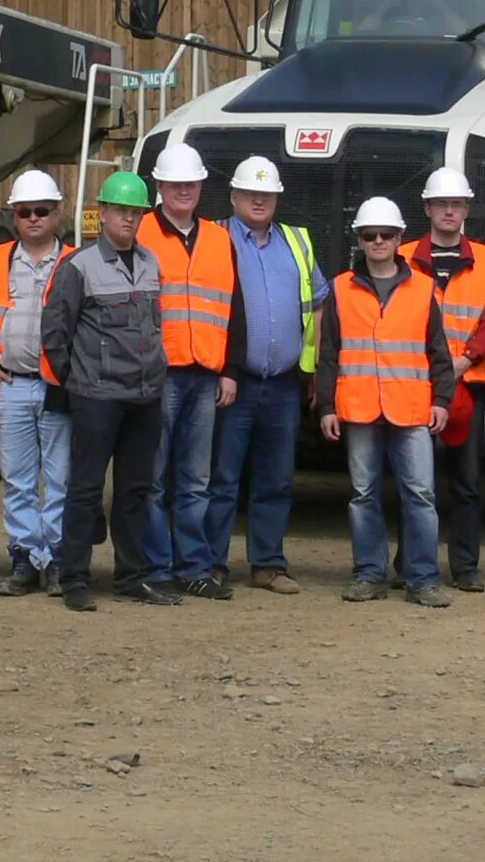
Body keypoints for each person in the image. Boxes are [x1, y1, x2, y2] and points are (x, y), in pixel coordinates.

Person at [314, 196, 457, 605]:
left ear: (399, 239)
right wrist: (326, 406)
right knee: (363, 495)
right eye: (369, 235)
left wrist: (442, 400)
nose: (378, 241)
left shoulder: (424, 287)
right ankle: (368, 574)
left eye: (386, 234)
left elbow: (438, 352)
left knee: (421, 496)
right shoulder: (340, 289)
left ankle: (423, 579)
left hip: (411, 409)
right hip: (358, 407)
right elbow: (329, 353)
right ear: (359, 239)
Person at [43, 169, 174, 609]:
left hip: (144, 397)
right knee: (84, 490)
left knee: (136, 490)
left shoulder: (152, 262)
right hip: (96, 397)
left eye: (135, 213)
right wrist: (78, 381)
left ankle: (131, 576)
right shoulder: (78, 267)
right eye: (121, 211)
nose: (129, 220)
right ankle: (74, 579)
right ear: (103, 213)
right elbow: (55, 333)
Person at [197, 155, 319, 597]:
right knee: (222, 477)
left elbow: (317, 304)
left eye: (267, 194)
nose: (260, 200)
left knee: (276, 478)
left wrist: (314, 370)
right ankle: (210, 563)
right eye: (251, 193)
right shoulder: (215, 238)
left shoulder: (297, 242)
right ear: (234, 197)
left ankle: (268, 563)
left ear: (277, 198)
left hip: (286, 382)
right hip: (235, 381)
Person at [0, 170, 74, 596]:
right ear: (14, 214)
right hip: (8, 387)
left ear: (56, 213)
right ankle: (26, 558)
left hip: (55, 387)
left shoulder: (74, 263)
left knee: (60, 479)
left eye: (41, 211)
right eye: (24, 211)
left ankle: (59, 559)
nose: (32, 218)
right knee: (18, 480)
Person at [135, 142, 236, 598]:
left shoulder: (219, 238)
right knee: (153, 480)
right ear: (159, 187)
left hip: (206, 372)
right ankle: (158, 567)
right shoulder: (140, 235)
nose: (183, 191)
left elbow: (238, 309)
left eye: (190, 184)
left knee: (196, 481)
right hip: (159, 374)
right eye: (175, 184)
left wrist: (230, 368)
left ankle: (195, 567)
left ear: (200, 188)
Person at [408, 166, 485, 592]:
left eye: (457, 204)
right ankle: (411, 561)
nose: (449, 211)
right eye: (442, 204)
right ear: (428, 208)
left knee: (466, 483)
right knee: (416, 482)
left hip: (467, 386)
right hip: (416, 384)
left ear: (466, 208)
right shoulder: (404, 255)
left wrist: (467, 359)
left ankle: (465, 567)